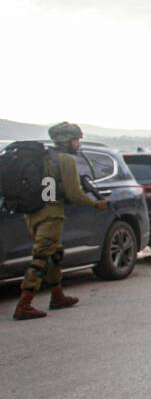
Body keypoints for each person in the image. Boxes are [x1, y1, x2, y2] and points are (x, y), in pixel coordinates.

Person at [13, 122, 108, 321]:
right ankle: (25, 303)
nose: (78, 144)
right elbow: (74, 193)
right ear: (67, 141)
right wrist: (95, 204)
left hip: (33, 213)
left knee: (54, 253)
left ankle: (57, 295)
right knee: (41, 256)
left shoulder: (44, 157)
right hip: (51, 214)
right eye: (76, 140)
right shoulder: (65, 160)